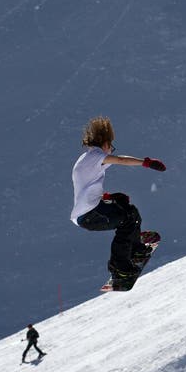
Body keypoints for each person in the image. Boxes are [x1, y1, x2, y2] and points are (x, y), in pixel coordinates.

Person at [70, 116, 166, 278]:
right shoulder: (95, 157)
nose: (111, 150)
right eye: (111, 146)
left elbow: (85, 185)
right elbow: (121, 160)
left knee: (130, 211)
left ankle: (135, 248)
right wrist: (146, 162)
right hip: (88, 215)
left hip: (91, 209)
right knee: (126, 220)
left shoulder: (89, 158)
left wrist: (107, 197)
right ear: (105, 143)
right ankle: (119, 266)